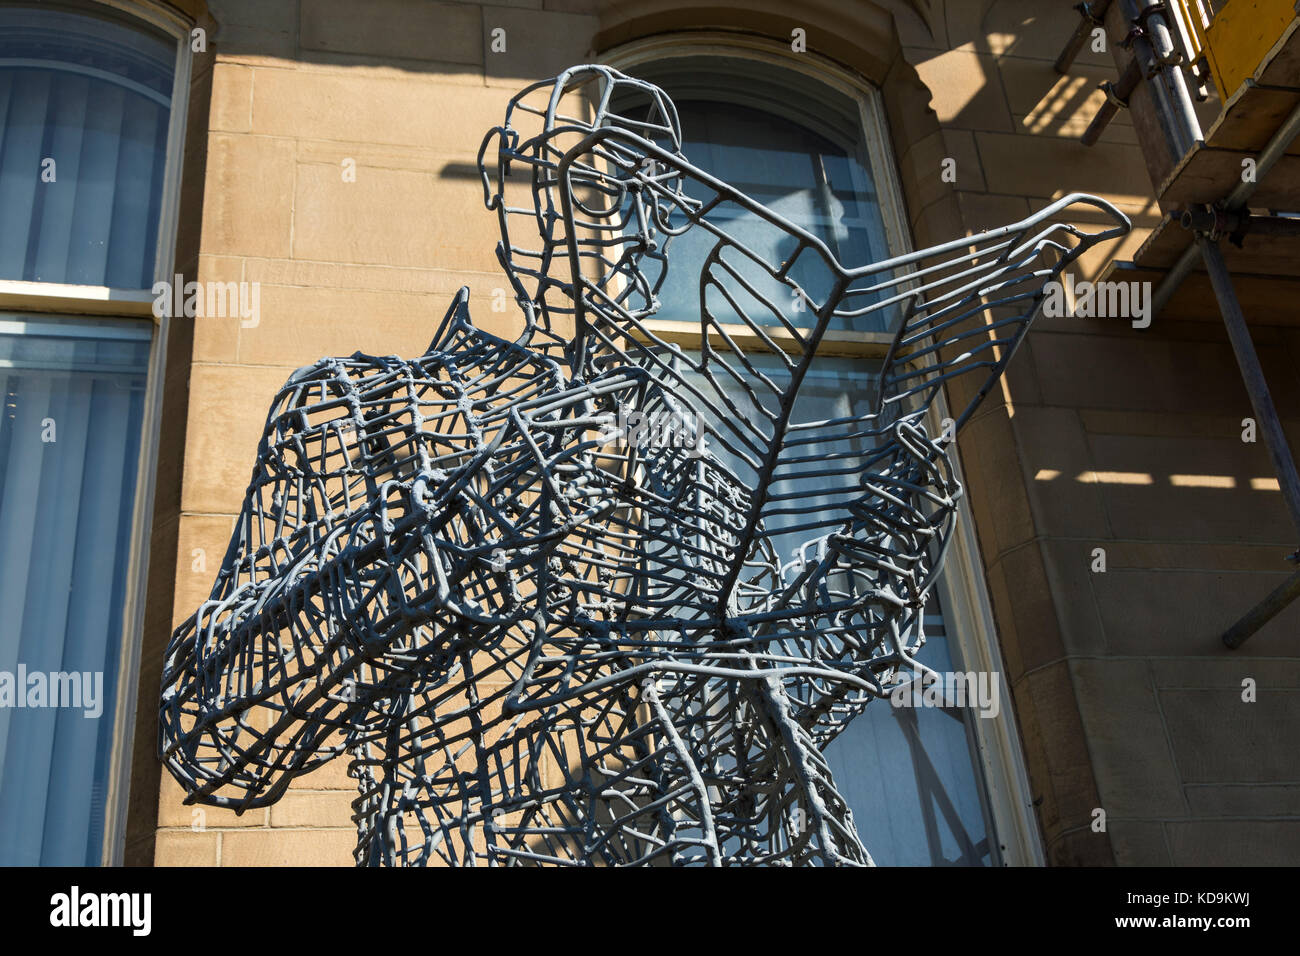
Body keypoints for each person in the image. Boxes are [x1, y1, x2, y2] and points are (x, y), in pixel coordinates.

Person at [160, 65, 1128, 866]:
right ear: (506, 200)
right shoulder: (372, 408)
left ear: (659, 224)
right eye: (560, 180)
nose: (588, 218)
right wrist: (461, 531)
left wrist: (872, 578)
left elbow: (756, 712)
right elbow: (213, 733)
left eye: (632, 191)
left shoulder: (684, 441)